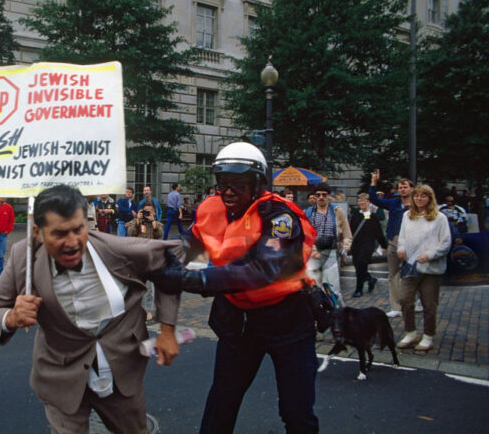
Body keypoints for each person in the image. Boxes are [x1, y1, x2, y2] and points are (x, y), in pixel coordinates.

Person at [0, 184, 181, 434]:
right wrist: (11, 317)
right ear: (38, 232)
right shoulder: (24, 257)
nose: (72, 243)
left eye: (78, 230)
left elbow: (171, 260)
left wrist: (168, 328)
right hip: (60, 377)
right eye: (60, 234)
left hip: (122, 372)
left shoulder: (116, 249)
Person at [148, 142, 319, 433]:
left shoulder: (280, 217)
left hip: (287, 323)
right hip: (239, 324)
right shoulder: (211, 210)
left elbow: (268, 269)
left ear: (258, 185)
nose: (227, 192)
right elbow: (185, 248)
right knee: (221, 404)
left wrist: (194, 280)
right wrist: (154, 259)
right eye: (223, 184)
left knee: (296, 412)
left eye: (238, 185)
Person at [395, 184, 451, 352]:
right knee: (405, 300)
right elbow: (402, 237)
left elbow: (445, 243)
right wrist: (401, 249)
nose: (419, 198)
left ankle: (428, 336)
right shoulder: (407, 215)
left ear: (430, 198)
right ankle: (410, 332)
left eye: (423, 196)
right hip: (410, 267)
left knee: (429, 304)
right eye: (416, 195)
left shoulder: (439, 218)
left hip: (430, 269)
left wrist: (430, 255)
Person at [369, 171, 413, 318]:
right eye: (400, 187)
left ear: (411, 189)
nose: (403, 189)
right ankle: (396, 306)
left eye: (405, 187)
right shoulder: (394, 203)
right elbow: (374, 199)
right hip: (394, 240)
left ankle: (415, 300)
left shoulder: (416, 204)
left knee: (413, 273)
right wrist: (374, 183)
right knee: (393, 274)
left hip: (412, 242)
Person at [304, 183, 352, 304]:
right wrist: (313, 249)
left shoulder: (337, 211)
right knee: (314, 289)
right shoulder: (308, 213)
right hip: (313, 253)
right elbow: (305, 235)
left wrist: (344, 249)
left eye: (324, 195)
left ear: (328, 196)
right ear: (314, 196)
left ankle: (339, 316)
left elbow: (347, 233)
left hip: (331, 252)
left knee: (334, 288)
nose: (321, 197)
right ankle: (320, 318)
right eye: (318, 195)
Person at [127, 203, 164, 323]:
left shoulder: (156, 224)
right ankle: (135, 309)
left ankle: (148, 310)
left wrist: (153, 222)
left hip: (150, 258)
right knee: (135, 285)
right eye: (145, 211)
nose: (147, 213)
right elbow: (130, 233)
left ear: (154, 213)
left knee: (149, 286)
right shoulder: (136, 222)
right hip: (137, 257)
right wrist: (138, 220)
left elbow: (160, 234)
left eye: (150, 211)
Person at [349, 193, 387, 297]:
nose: (361, 202)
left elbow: (378, 232)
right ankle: (370, 278)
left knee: (361, 263)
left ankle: (358, 289)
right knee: (358, 266)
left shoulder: (372, 216)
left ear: (368, 202)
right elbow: (351, 229)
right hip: (356, 244)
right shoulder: (356, 214)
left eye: (363, 200)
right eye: (359, 201)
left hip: (367, 244)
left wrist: (384, 245)